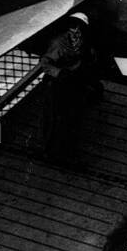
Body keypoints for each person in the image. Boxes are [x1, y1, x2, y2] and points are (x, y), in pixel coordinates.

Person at [39, 12, 94, 164]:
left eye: (78, 26)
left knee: (70, 119)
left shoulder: (80, 41)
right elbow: (45, 62)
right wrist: (59, 73)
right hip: (57, 83)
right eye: (73, 25)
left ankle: (65, 152)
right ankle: (50, 153)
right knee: (54, 119)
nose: (75, 29)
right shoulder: (59, 43)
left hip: (71, 82)